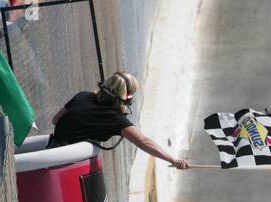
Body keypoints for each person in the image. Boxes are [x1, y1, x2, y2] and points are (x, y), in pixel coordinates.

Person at [47, 71, 189, 169]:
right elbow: (144, 142)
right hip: (65, 163)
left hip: (50, 149)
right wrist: (173, 160)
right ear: (127, 97)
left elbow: (55, 120)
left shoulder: (82, 96)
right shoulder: (115, 120)